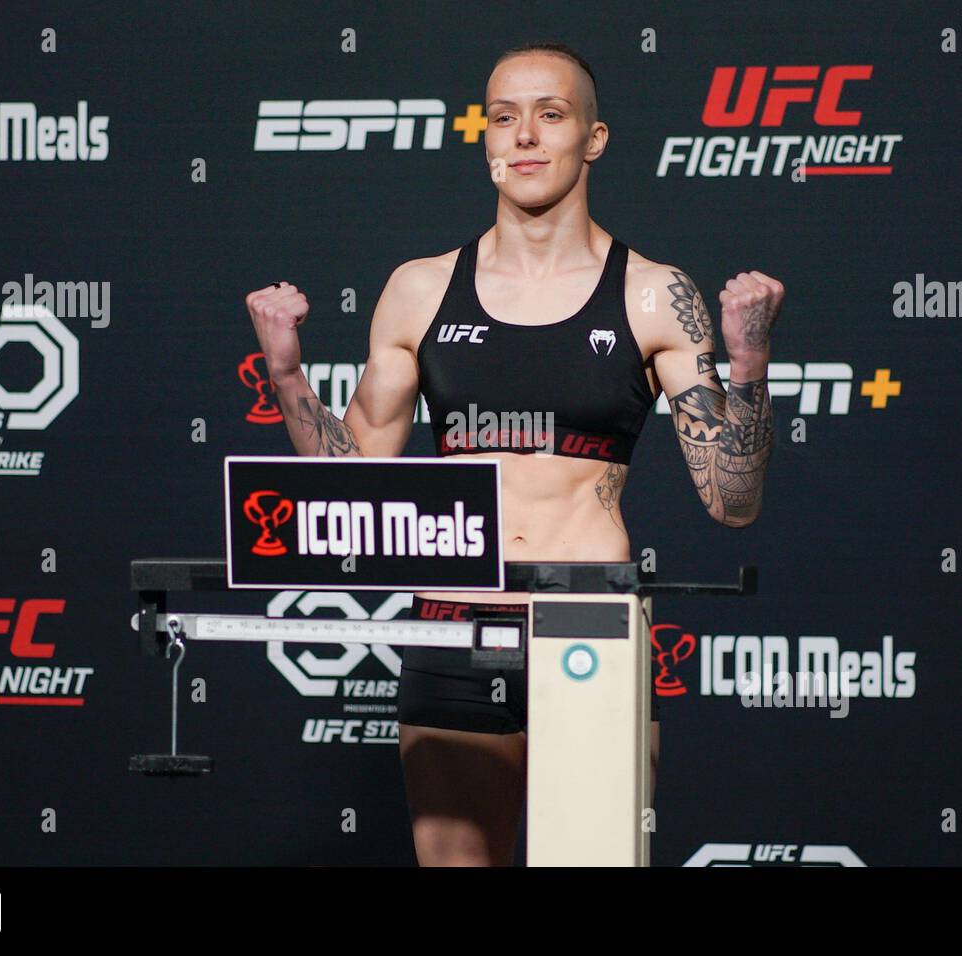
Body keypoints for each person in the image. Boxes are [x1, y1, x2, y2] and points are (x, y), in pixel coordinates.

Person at [246, 41, 783, 866]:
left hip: (591, 624)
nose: (525, 135)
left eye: (551, 114)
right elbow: (350, 485)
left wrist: (746, 367)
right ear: (487, 140)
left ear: (594, 139)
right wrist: (287, 377)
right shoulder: (419, 289)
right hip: (455, 626)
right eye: (504, 117)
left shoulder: (652, 293)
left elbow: (733, 500)